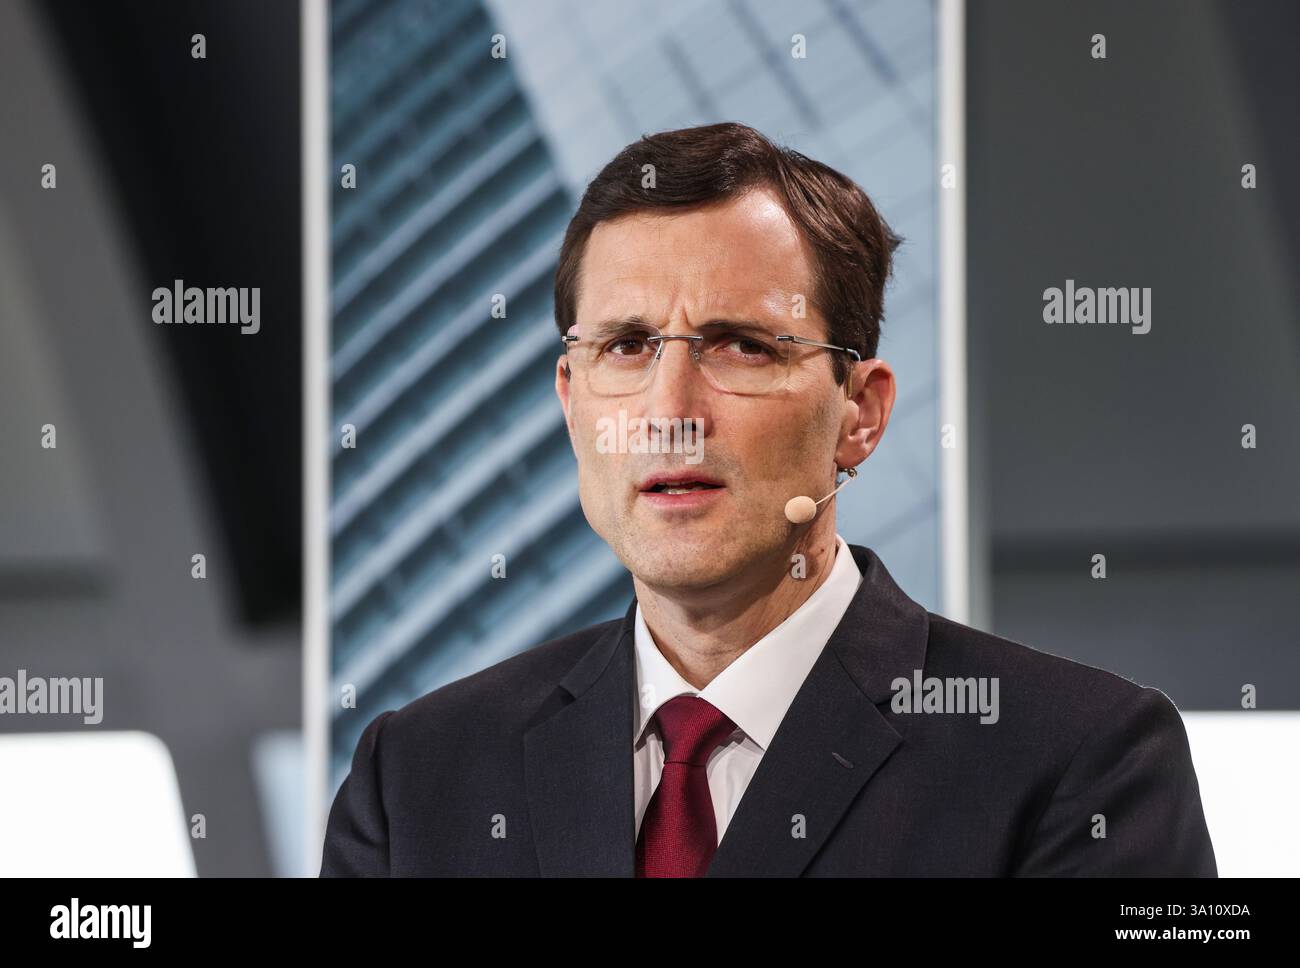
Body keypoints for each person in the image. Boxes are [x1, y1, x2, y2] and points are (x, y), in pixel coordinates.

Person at [320, 122, 1216, 877]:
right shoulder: (415, 778)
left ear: (857, 415)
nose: (669, 415)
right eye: (627, 348)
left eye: (741, 346)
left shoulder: (1086, 761)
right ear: (570, 400)